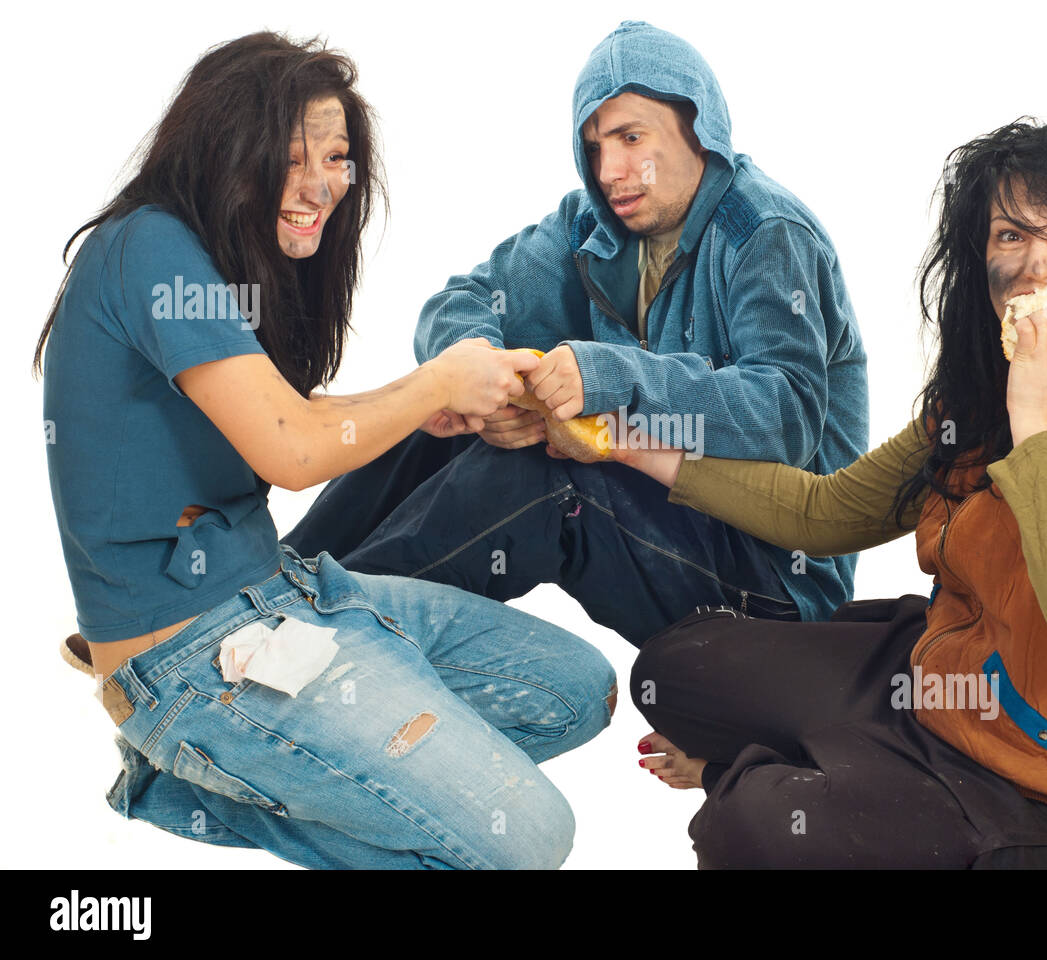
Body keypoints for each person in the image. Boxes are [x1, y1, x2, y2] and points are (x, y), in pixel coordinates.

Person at [36, 32, 616, 870]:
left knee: (574, 689)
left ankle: (238, 780)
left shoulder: (207, 258)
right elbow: (292, 451)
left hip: (289, 594)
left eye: (338, 157)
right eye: (291, 156)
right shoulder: (150, 246)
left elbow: (284, 415)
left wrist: (421, 412)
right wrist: (438, 384)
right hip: (190, 656)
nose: (320, 185)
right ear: (225, 150)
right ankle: (195, 764)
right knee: (527, 839)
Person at [615, 117, 1047, 868]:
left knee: (747, 826)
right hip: (950, 690)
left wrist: (1040, 414)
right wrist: (626, 443)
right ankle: (845, 775)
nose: (1037, 262)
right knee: (674, 672)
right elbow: (826, 512)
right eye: (1011, 235)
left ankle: (778, 783)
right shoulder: (984, 393)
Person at [281, 20, 869, 646]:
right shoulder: (589, 224)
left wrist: (609, 378)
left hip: (773, 578)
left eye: (630, 137)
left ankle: (322, 638)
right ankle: (268, 590)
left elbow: (787, 416)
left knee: (547, 478)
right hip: (663, 515)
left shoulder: (767, 233)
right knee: (437, 411)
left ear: (699, 129)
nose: (611, 169)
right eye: (593, 146)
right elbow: (460, 301)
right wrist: (481, 386)